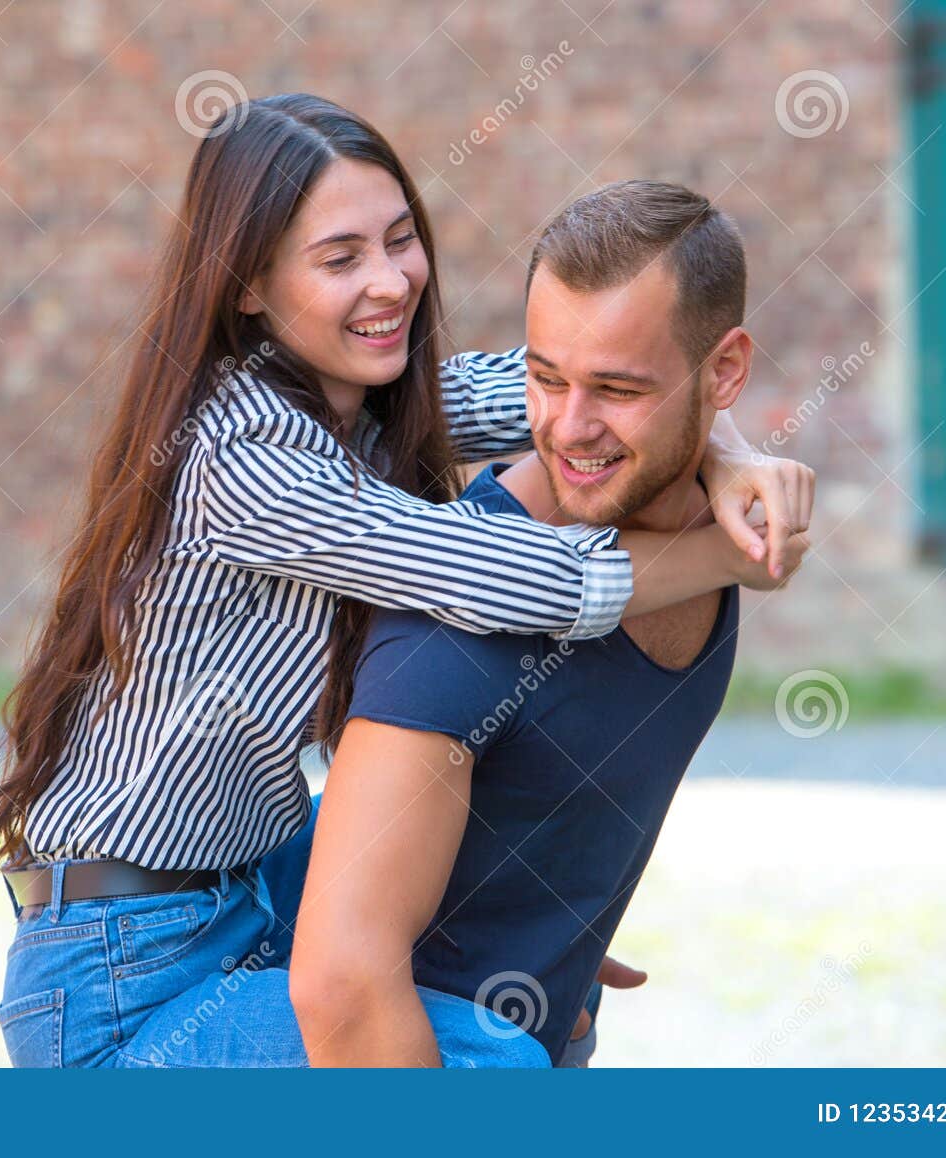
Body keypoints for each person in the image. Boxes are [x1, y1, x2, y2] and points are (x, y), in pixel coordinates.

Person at [0, 94, 813, 1068]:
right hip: (125, 973)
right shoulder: (242, 456)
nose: (389, 283)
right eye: (340, 259)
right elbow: (520, 580)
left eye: (400, 240)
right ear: (248, 286)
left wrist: (733, 454)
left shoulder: (362, 402)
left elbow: (596, 384)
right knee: (491, 1062)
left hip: (251, 877)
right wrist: (738, 553)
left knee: (528, 1004)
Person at [290, 179, 778, 1065]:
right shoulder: (459, 618)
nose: (567, 428)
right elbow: (342, 989)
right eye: (543, 378)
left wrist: (559, 942)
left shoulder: (710, 522)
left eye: (617, 389)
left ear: (725, 373)